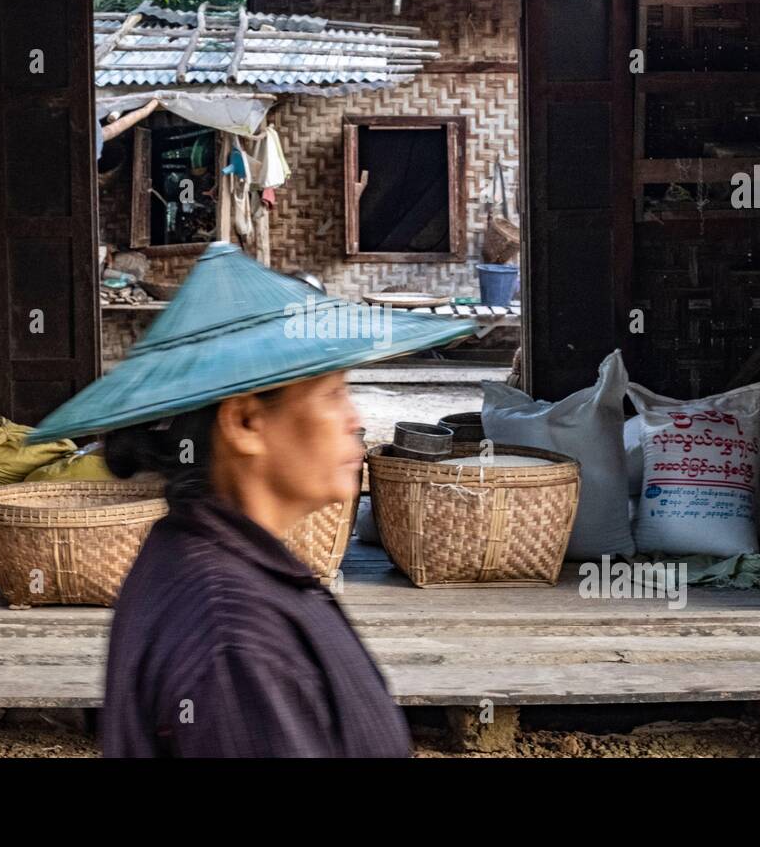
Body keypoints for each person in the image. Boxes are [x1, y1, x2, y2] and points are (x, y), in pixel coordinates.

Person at [29, 242, 473, 757]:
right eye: (332, 394)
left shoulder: (219, 568)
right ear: (244, 423)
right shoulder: (232, 638)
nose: (355, 420)